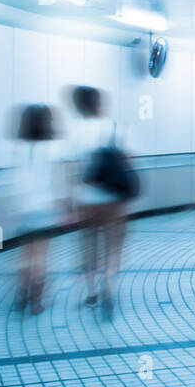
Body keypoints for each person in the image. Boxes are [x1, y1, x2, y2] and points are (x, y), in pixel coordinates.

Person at [66, 85, 129, 315]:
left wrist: (69, 202)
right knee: (113, 246)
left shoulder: (73, 132)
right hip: (114, 200)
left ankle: (91, 293)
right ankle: (109, 287)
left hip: (86, 201)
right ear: (98, 103)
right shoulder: (115, 127)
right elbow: (128, 162)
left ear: (78, 105)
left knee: (88, 246)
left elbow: (70, 171)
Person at [11, 104, 63, 315]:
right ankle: (37, 301)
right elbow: (58, 183)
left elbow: (13, 181)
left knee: (25, 255)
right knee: (42, 256)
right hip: (46, 209)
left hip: (23, 208)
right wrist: (65, 207)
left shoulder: (17, 147)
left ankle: (21, 294)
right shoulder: (54, 149)